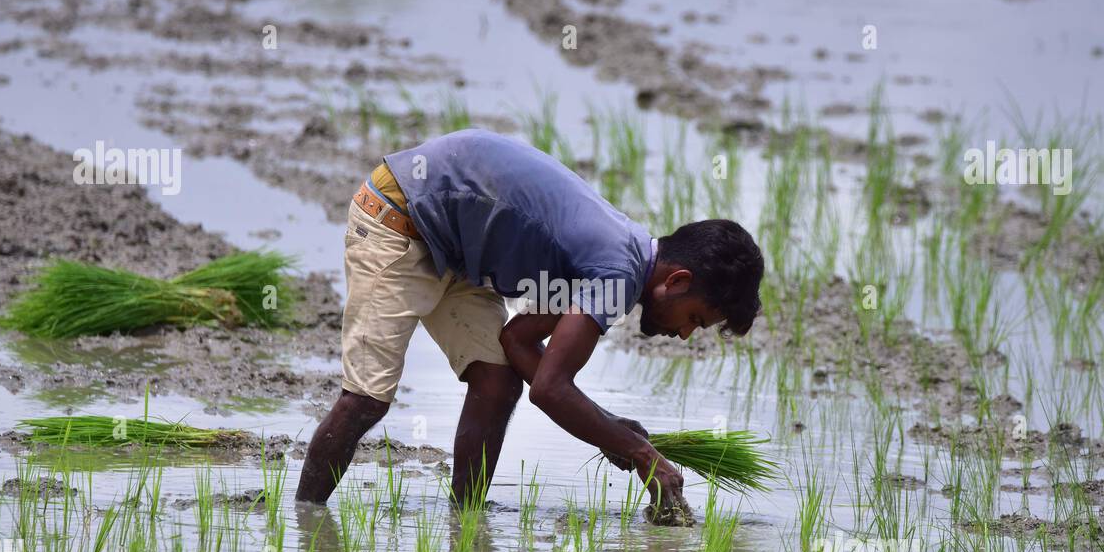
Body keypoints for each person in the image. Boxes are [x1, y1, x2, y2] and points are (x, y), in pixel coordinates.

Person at [295, 128, 764, 523]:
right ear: (677, 281)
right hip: (400, 220)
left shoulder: (616, 261)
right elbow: (551, 389)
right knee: (366, 400)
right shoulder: (618, 271)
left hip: (458, 254)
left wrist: (610, 427)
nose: (683, 334)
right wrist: (640, 452)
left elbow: (517, 339)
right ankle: (305, 522)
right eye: (695, 320)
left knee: (497, 384)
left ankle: (466, 525)